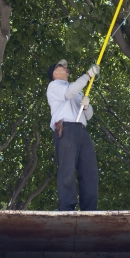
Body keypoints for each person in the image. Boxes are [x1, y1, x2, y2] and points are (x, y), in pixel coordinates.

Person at [46, 59, 100, 211]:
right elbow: (69, 93)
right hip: (66, 129)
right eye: (61, 66)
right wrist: (87, 75)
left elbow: (88, 116)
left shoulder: (76, 90)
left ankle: (90, 210)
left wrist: (87, 107)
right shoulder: (54, 86)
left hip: (81, 130)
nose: (65, 67)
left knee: (89, 171)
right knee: (67, 169)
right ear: (55, 73)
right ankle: (66, 207)